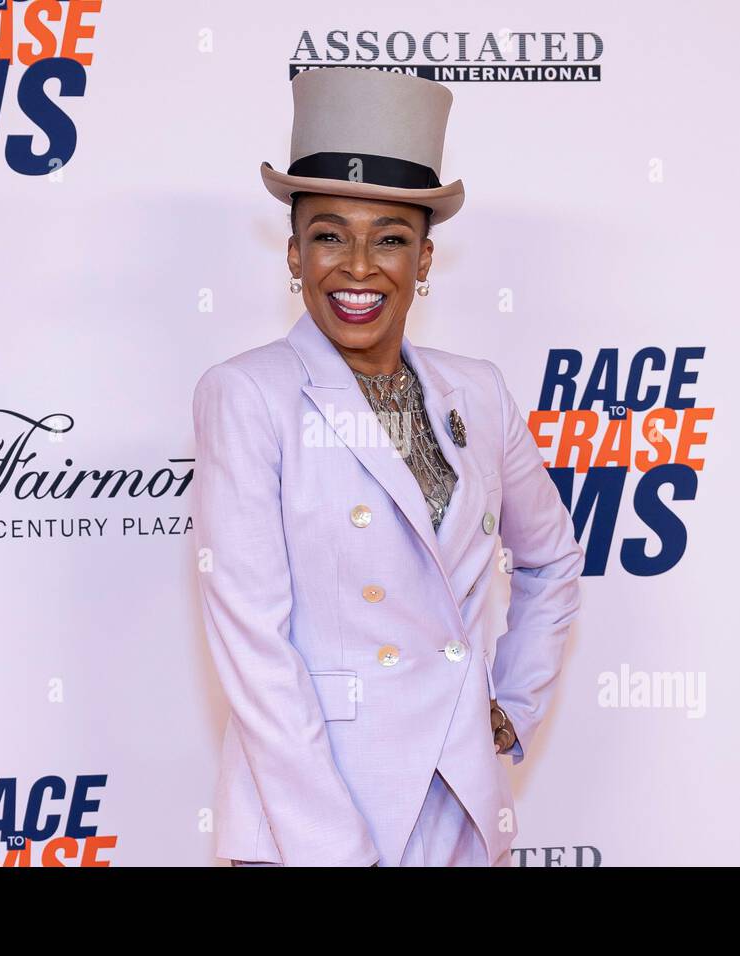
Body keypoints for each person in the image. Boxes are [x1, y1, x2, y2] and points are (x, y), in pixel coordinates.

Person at [191, 67, 585, 867]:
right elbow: (256, 653)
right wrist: (335, 850)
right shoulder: (245, 395)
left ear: (427, 259)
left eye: (392, 238)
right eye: (331, 234)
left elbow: (551, 560)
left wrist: (513, 700)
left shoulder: (477, 390)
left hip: (458, 804)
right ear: (295, 253)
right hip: (313, 814)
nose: (360, 266)